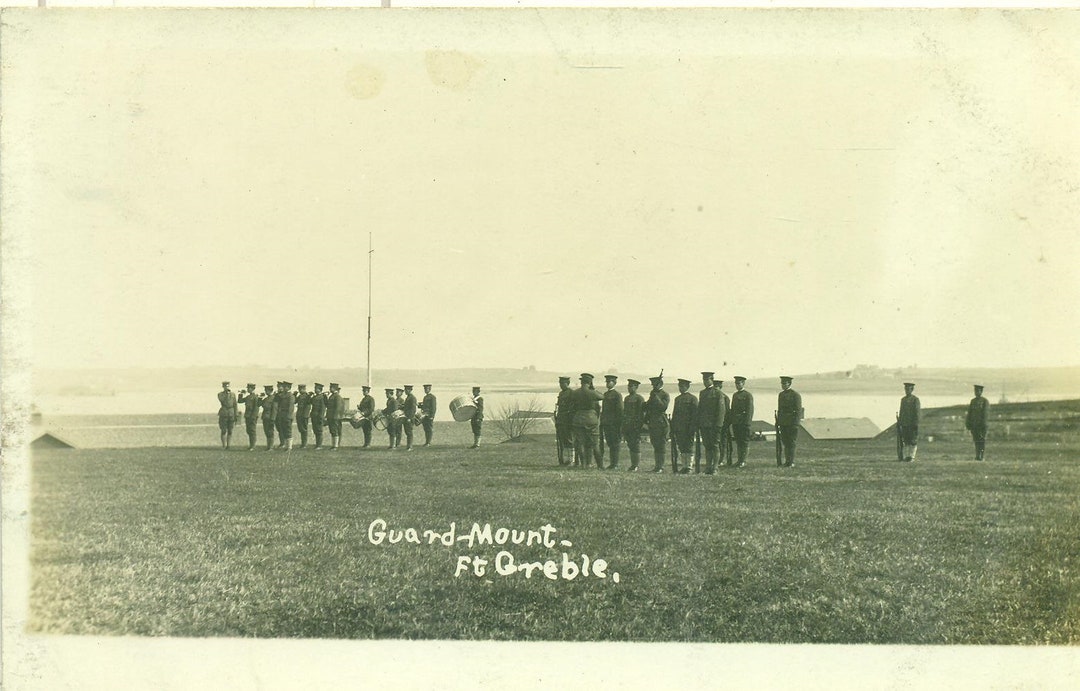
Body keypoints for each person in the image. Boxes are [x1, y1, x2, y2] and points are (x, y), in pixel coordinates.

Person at [569, 373, 604, 467]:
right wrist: (593, 389)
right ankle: (600, 465)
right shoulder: (592, 393)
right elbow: (602, 396)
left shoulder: (575, 392)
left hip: (578, 418)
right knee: (595, 443)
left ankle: (583, 464)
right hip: (591, 419)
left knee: (580, 442)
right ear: (590, 382)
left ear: (581, 382)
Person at [697, 371, 727, 474]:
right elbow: (700, 409)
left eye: (707, 380)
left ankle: (715, 467)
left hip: (714, 425)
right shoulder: (702, 393)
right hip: (705, 424)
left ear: (712, 380)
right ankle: (708, 466)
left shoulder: (718, 393)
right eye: (704, 380)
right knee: (707, 446)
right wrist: (699, 423)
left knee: (715, 445)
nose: (705, 382)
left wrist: (718, 424)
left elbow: (721, 411)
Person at [671, 378, 698, 474]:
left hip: (688, 427)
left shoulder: (693, 399)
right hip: (679, 427)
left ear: (687, 387)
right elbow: (675, 414)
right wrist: (673, 426)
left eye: (682, 386)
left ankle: (689, 466)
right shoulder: (677, 399)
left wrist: (692, 427)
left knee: (689, 447)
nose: (680, 388)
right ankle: (684, 466)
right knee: (682, 446)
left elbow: (695, 415)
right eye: (679, 386)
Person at [645, 373, 671, 473]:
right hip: (653, 422)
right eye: (653, 385)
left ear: (660, 384)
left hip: (661, 422)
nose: (654, 387)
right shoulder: (652, 394)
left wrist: (655, 397)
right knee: (655, 444)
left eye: (655, 385)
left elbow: (663, 407)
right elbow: (648, 407)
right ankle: (657, 466)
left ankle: (660, 466)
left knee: (661, 445)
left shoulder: (665, 394)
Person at [776, 375, 803, 467]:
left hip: (792, 423)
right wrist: (778, 421)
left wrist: (795, 423)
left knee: (791, 442)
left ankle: (791, 462)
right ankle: (787, 461)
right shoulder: (781, 395)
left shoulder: (795, 395)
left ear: (789, 384)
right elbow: (780, 409)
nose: (783, 385)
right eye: (782, 383)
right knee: (785, 442)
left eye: (785, 383)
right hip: (783, 422)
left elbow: (798, 410)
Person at [729, 376, 754, 467]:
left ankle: (743, 461)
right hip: (736, 422)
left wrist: (747, 423)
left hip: (744, 422)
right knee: (738, 442)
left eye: (739, 383)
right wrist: (732, 421)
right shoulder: (735, 395)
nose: (737, 385)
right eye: (736, 383)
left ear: (743, 384)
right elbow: (733, 409)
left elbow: (750, 410)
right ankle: (739, 460)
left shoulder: (748, 395)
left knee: (744, 442)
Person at [621, 379, 646, 471]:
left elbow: (641, 413)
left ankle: (636, 465)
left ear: (636, 387)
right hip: (627, 424)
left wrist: (639, 424)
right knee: (630, 444)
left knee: (635, 444)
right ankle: (633, 464)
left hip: (635, 425)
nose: (629, 388)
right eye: (628, 386)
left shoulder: (639, 398)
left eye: (631, 386)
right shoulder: (627, 398)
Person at [601, 374, 624, 470]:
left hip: (614, 423)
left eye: (609, 382)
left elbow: (620, 410)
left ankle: (615, 464)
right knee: (610, 443)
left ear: (614, 383)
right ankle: (612, 463)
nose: (607, 383)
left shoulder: (617, 395)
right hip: (607, 422)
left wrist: (619, 424)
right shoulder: (605, 395)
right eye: (606, 382)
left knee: (615, 443)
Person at [965, 384, 990, 461]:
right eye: (975, 391)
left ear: (981, 392)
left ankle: (981, 456)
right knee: (976, 441)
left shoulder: (985, 401)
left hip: (981, 425)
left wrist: (983, 425)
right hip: (974, 425)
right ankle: (977, 455)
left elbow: (985, 414)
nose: (976, 392)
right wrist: (968, 424)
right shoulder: (973, 401)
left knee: (981, 441)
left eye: (978, 391)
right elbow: (970, 413)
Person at [898, 382, 921, 462]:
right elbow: (901, 412)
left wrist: (916, 423)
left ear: (912, 390)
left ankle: (912, 456)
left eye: (908, 389)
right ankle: (906, 456)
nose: (906, 391)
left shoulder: (915, 400)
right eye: (905, 389)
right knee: (906, 440)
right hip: (905, 423)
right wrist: (900, 422)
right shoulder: (903, 400)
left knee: (913, 440)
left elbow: (917, 412)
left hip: (912, 424)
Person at [554, 376, 574, 465]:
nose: (561, 385)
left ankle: (571, 459)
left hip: (568, 420)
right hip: (561, 419)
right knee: (562, 440)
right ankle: (563, 459)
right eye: (560, 383)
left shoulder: (571, 393)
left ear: (568, 383)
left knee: (569, 439)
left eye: (563, 383)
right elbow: (558, 406)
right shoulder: (561, 393)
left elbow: (573, 407)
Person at [275, 381, 296, 451]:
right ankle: (286, 446)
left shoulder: (291, 396)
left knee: (288, 431)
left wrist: (288, 417)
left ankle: (289, 447)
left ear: (288, 388)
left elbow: (290, 408)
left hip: (287, 416)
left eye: (285, 387)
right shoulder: (283, 395)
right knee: (284, 430)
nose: (283, 388)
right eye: (283, 387)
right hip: (282, 416)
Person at [238, 382, 260, 451]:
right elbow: (240, 401)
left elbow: (256, 408)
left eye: (249, 388)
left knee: (252, 431)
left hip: (252, 417)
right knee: (249, 431)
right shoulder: (248, 397)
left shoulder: (255, 397)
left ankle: (253, 446)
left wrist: (253, 417)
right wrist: (241, 394)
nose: (247, 389)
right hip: (247, 416)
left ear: (252, 389)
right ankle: (251, 445)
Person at [217, 381, 238, 449]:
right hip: (224, 413)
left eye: (228, 386)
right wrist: (227, 394)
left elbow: (235, 405)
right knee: (223, 430)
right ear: (223, 387)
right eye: (225, 386)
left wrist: (236, 414)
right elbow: (223, 401)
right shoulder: (220, 394)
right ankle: (224, 445)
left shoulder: (233, 394)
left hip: (231, 413)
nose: (227, 387)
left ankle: (228, 445)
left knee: (230, 430)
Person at [717, 378, 733, 466]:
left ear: (720, 387)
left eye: (717, 387)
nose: (716, 388)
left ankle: (721, 459)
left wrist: (725, 424)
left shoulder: (725, 398)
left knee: (722, 443)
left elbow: (727, 412)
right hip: (714, 424)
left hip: (723, 424)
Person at [326, 383, 344, 451]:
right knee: (332, 431)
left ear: (334, 388)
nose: (330, 389)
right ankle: (334, 445)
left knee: (335, 430)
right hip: (331, 416)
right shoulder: (332, 396)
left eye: (331, 387)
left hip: (335, 417)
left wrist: (335, 416)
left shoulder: (337, 396)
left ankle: (335, 446)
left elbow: (338, 407)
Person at [295, 384, 313, 448]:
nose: (299, 390)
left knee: (304, 429)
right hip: (299, 414)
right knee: (301, 429)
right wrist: (294, 395)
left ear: (304, 389)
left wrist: (305, 415)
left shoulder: (307, 396)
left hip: (304, 415)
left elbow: (308, 405)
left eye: (301, 389)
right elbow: (294, 402)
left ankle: (304, 444)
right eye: (299, 389)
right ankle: (303, 443)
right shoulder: (299, 396)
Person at [401, 385, 419, 451]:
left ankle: (410, 446)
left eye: (406, 390)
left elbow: (413, 409)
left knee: (409, 432)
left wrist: (409, 418)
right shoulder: (408, 397)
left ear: (410, 390)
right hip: (406, 417)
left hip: (409, 418)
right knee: (407, 432)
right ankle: (408, 446)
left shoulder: (412, 398)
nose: (405, 391)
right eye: (405, 390)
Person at [310, 383, 327, 449]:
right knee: (315, 430)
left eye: (316, 388)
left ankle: (319, 445)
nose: (315, 390)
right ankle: (317, 444)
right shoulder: (315, 397)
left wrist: (321, 417)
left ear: (320, 390)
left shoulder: (322, 397)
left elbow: (323, 408)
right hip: (314, 416)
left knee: (319, 431)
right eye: (315, 388)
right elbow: (309, 402)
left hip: (318, 416)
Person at [260, 384, 277, 450]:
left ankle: (271, 447)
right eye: (265, 390)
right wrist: (260, 397)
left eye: (266, 390)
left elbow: (274, 409)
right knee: (266, 431)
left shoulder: (274, 399)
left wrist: (273, 419)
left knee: (270, 432)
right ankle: (268, 446)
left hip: (270, 418)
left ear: (270, 391)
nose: (265, 392)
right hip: (265, 417)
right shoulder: (266, 399)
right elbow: (259, 404)